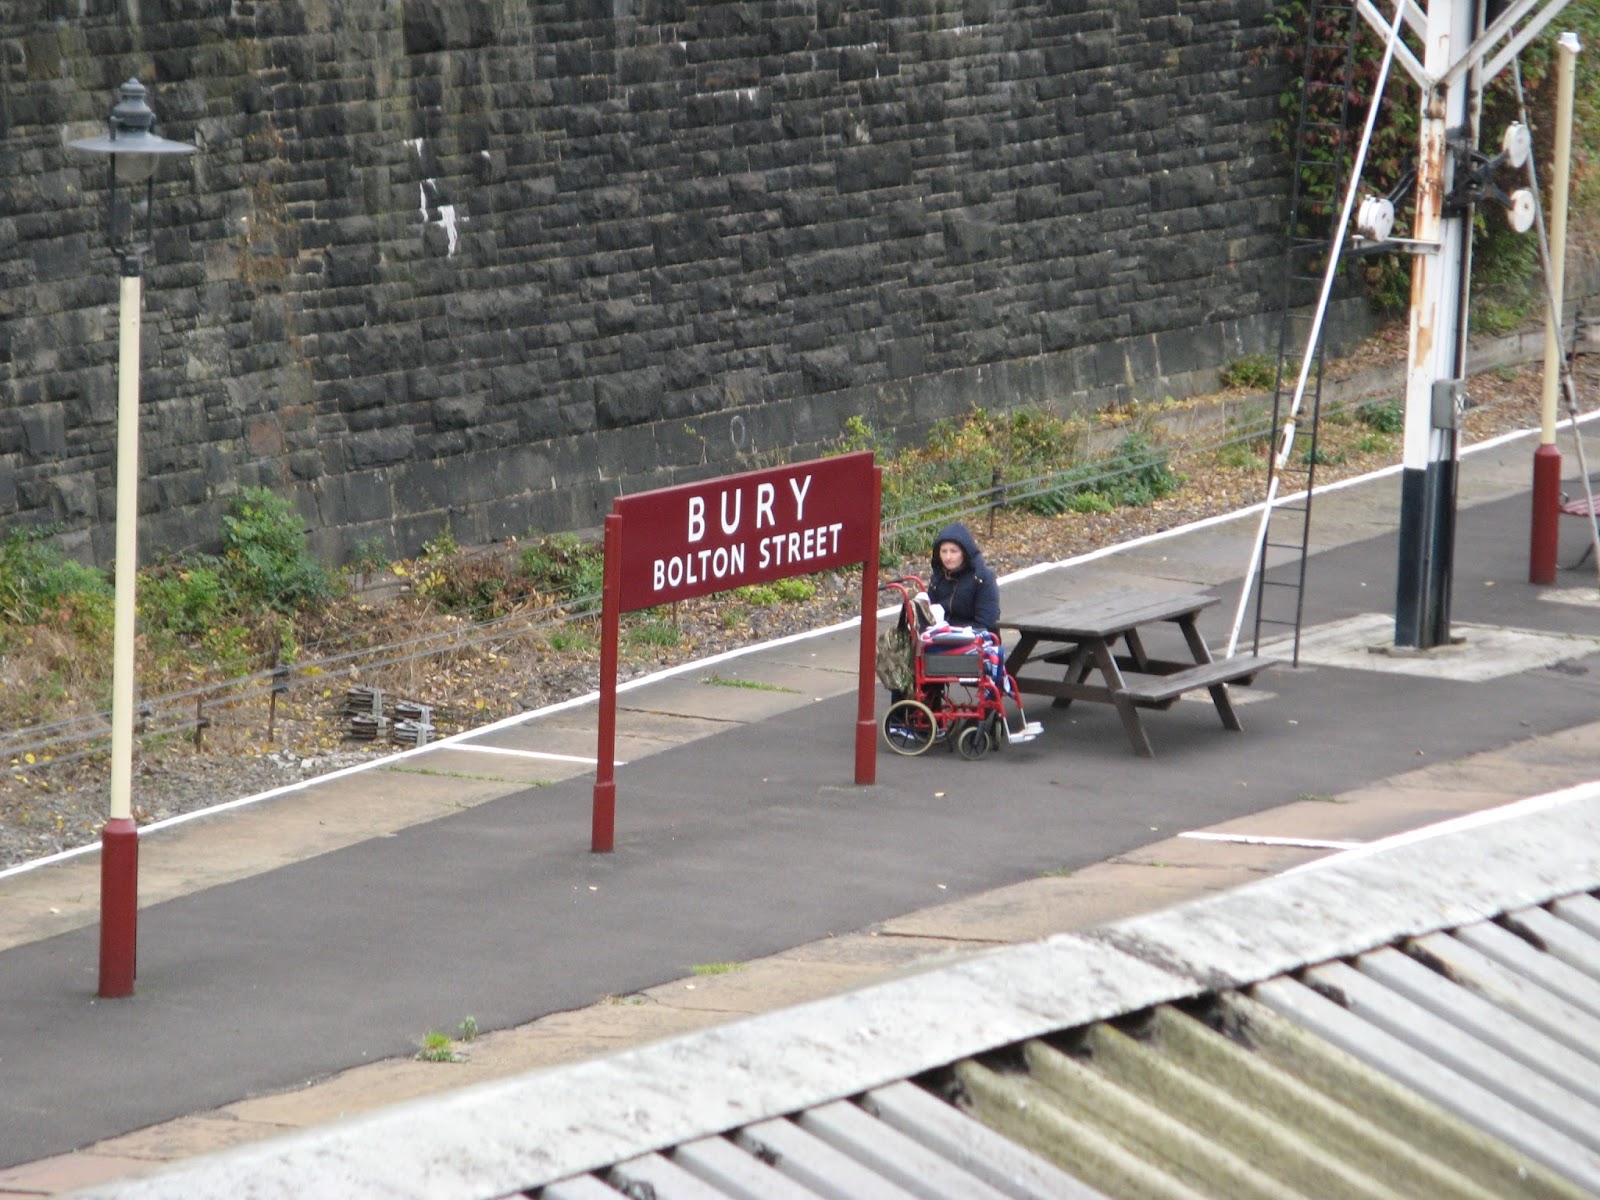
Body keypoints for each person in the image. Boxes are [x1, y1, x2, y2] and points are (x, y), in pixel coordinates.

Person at [925, 522, 1000, 634]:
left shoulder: (982, 578)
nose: (948, 557)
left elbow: (987, 624)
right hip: (940, 639)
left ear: (965, 552)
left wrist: (949, 629)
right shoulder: (938, 578)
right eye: (944, 551)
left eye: (954, 551)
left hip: (978, 640)